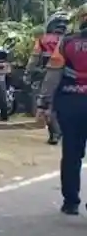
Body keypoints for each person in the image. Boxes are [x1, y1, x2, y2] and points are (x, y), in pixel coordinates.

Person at [36, 7, 87, 215]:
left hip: (70, 103)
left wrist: (43, 103)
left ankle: (71, 202)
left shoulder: (66, 43)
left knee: (71, 154)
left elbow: (52, 75)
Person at [31, 11, 69, 145]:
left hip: (50, 74)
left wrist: (28, 73)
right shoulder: (71, 39)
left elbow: (34, 58)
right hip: (70, 76)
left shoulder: (43, 39)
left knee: (46, 103)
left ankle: (54, 134)